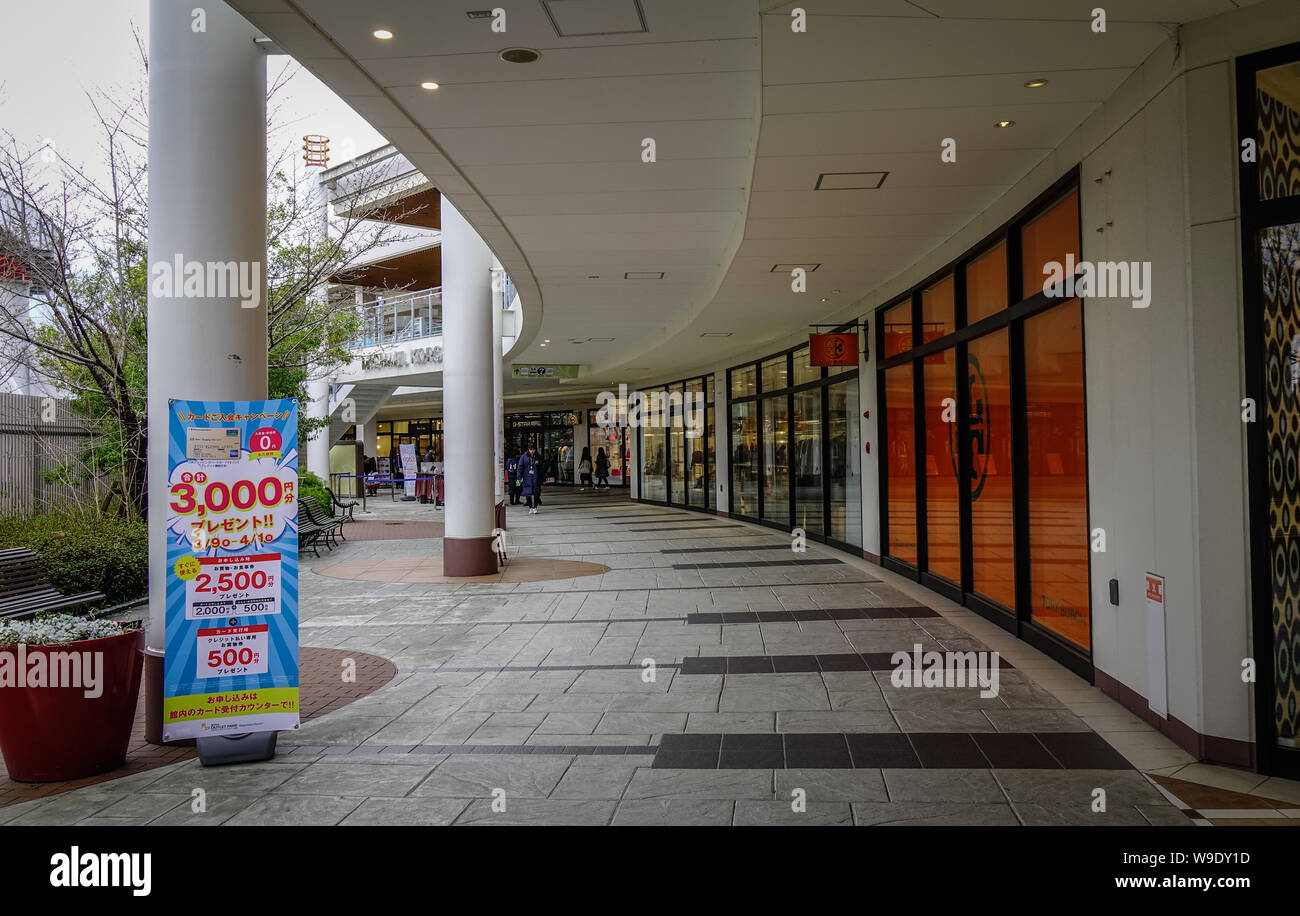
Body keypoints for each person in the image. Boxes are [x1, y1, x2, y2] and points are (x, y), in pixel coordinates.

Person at [519, 442, 542, 513]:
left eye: (533, 450)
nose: (532, 451)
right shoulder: (524, 456)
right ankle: (530, 507)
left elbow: (541, 468)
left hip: (536, 477)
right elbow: (520, 467)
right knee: (528, 492)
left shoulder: (538, 456)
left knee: (536, 492)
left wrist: (542, 477)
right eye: (531, 449)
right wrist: (519, 476)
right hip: (527, 477)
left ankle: (535, 507)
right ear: (528, 449)